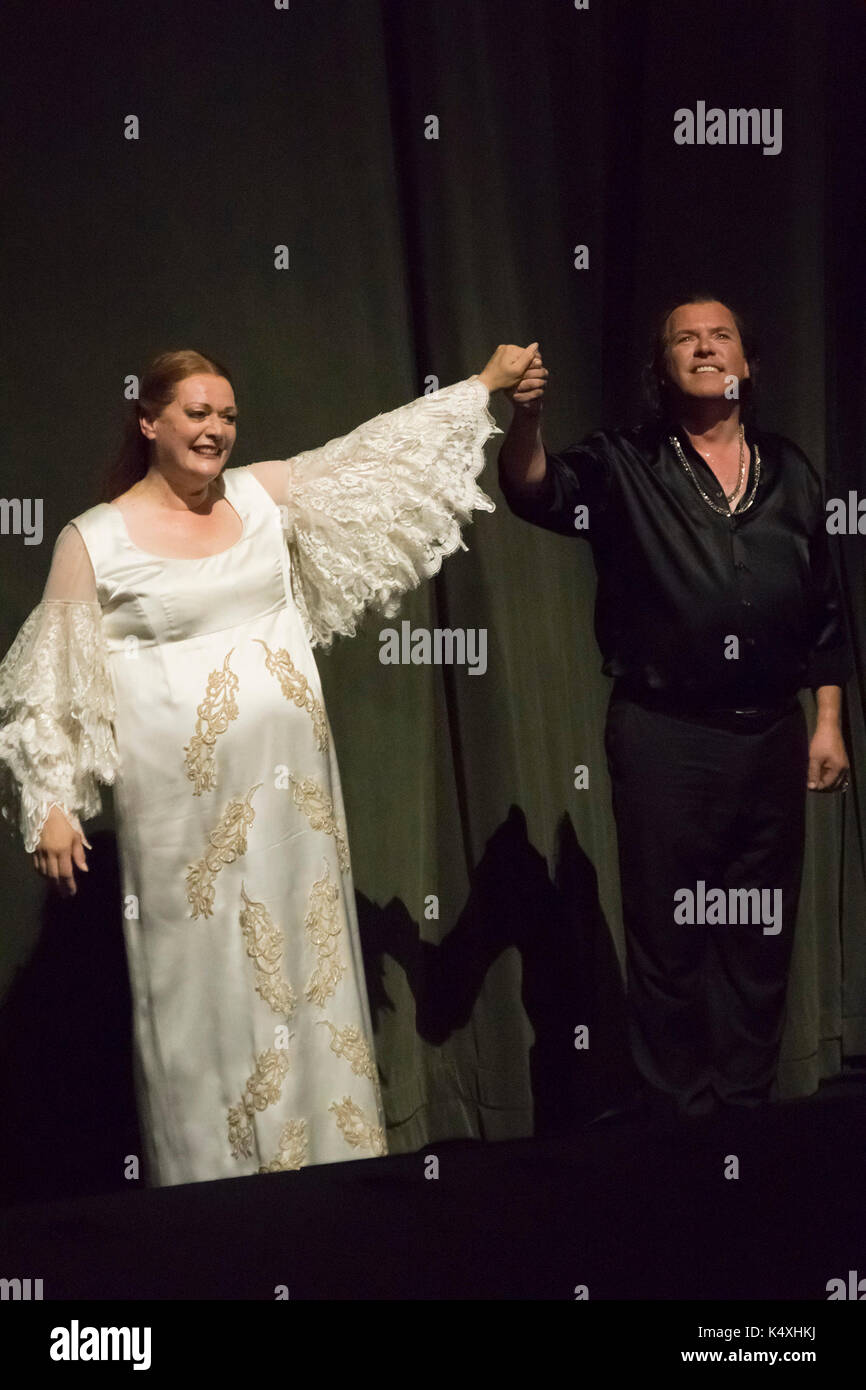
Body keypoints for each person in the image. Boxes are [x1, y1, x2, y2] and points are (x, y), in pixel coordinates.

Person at [0, 341, 536, 1187]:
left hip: (295, 805)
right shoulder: (94, 540)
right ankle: (210, 1188)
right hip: (179, 815)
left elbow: (377, 459)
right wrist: (54, 804)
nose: (217, 429)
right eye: (196, 413)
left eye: (228, 415)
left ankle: (333, 1171)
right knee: (203, 984)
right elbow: (49, 683)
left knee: (302, 963)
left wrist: (481, 389)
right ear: (149, 422)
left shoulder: (261, 497)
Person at [498, 298, 852, 1118]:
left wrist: (827, 721)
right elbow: (536, 492)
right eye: (684, 339)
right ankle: (679, 1136)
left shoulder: (792, 470)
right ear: (662, 371)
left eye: (721, 334)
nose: (703, 346)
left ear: (747, 363)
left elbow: (825, 612)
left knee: (760, 941)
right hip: (667, 738)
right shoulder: (627, 463)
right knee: (670, 944)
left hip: (770, 735)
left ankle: (745, 1121)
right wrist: (527, 422)